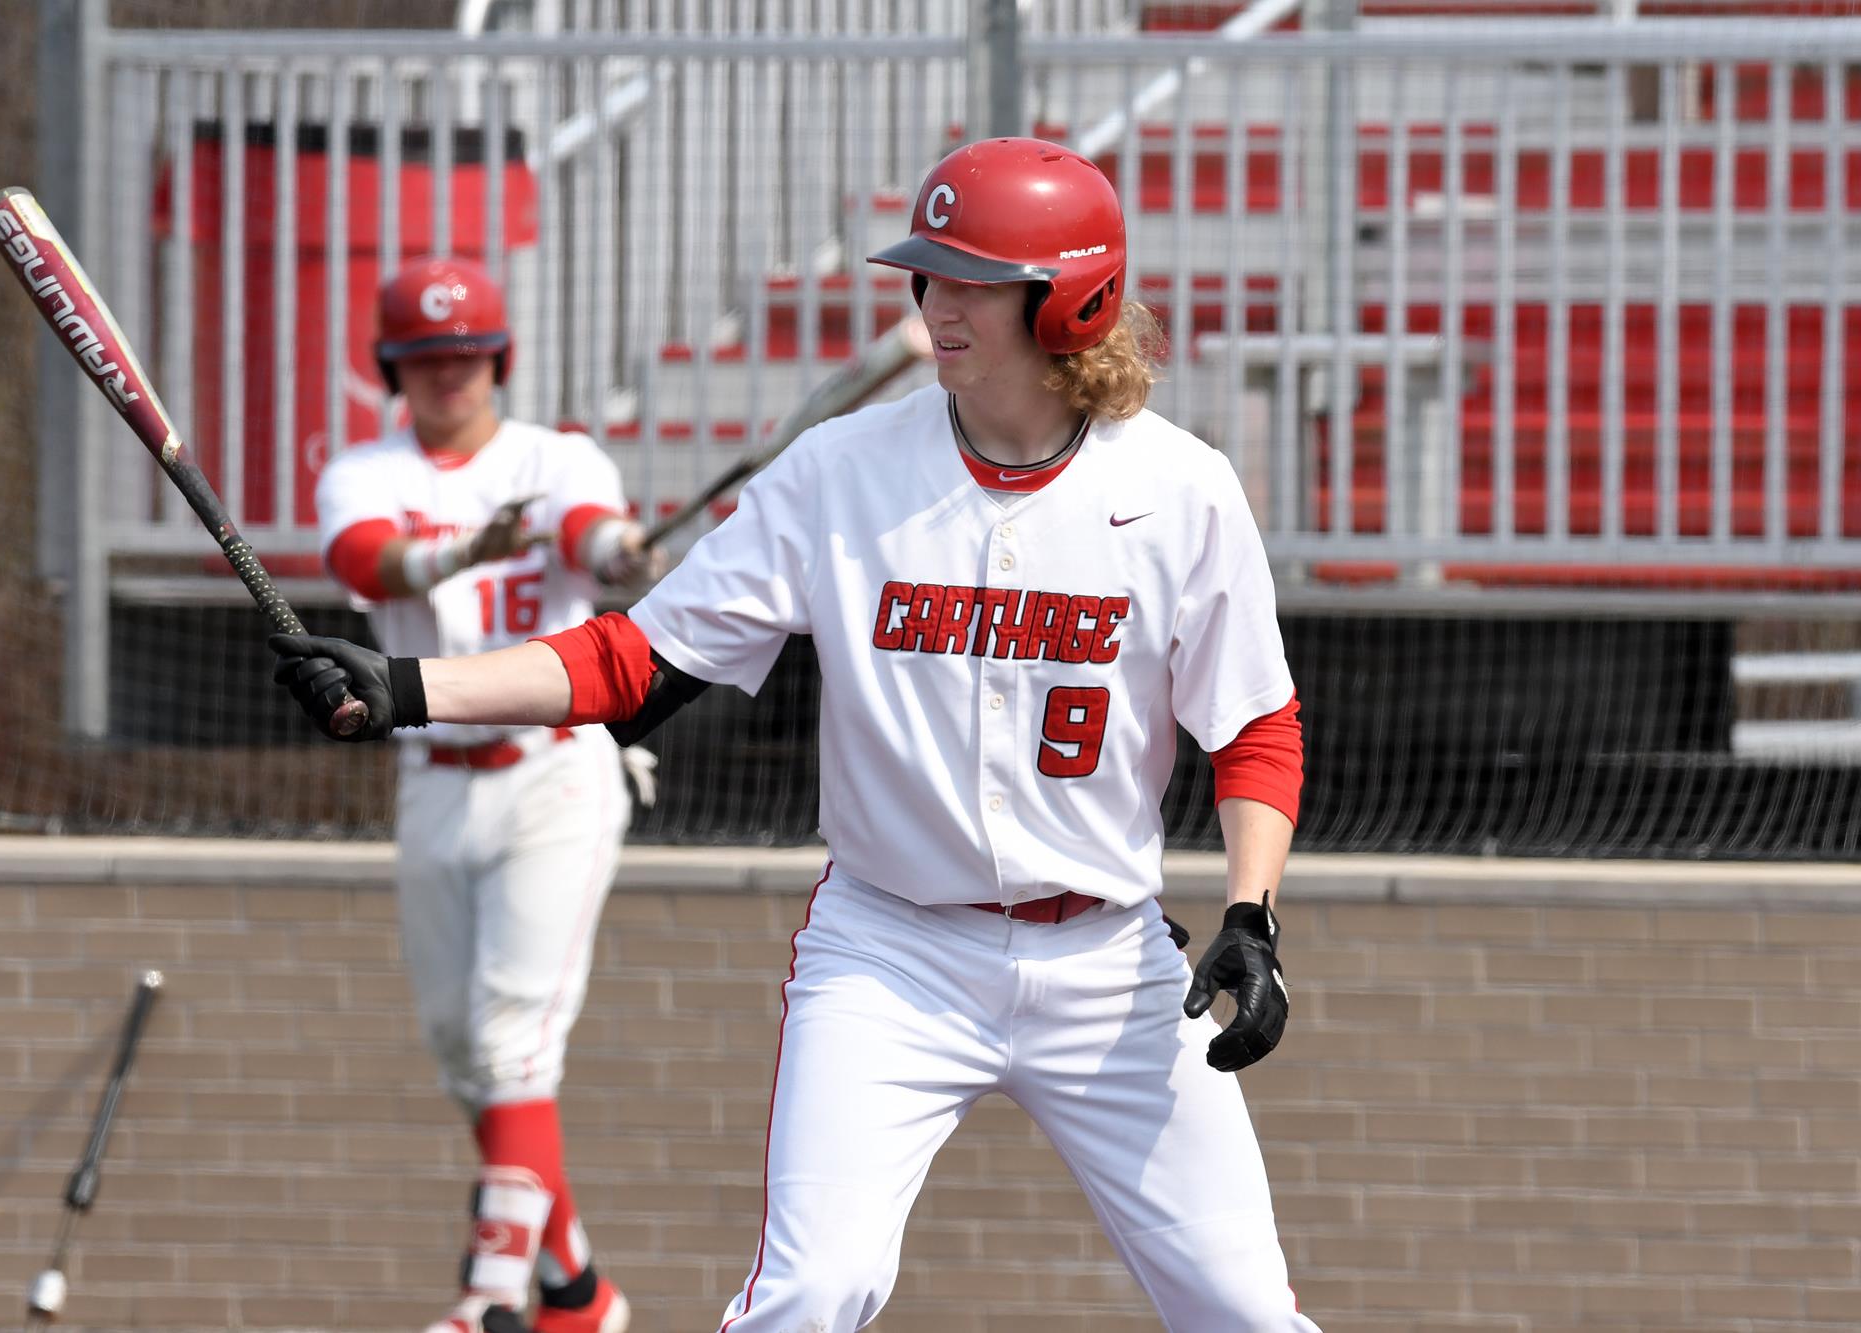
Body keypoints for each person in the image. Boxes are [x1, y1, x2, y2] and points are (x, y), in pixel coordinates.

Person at [277, 140, 1319, 1332]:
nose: (935, 304)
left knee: (1243, 1310)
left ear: (1069, 298)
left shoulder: (1182, 488)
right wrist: (411, 687)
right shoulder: (839, 470)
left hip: (1105, 960)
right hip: (892, 956)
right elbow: (633, 662)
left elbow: (1254, 726)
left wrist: (1250, 912)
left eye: (973, 280)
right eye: (926, 276)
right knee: (809, 1294)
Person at [314, 256, 648, 1333]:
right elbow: (370, 566)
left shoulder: (554, 454)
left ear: (496, 358)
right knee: (466, 1055)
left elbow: (585, 527)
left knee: (512, 1039)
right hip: (432, 775)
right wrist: (464, 546)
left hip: (552, 771)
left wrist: (616, 546)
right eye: (424, 359)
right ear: (393, 369)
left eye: (464, 356)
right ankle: (577, 1291)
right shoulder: (362, 468)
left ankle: (489, 1297)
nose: (448, 376)